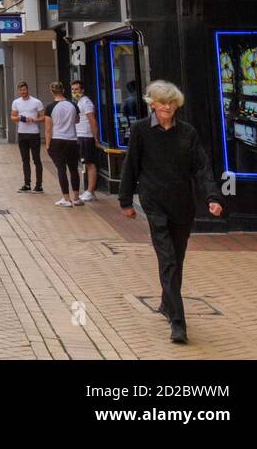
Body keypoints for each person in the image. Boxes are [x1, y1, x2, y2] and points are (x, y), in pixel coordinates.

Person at [119, 81, 224, 345]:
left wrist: (212, 197)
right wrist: (125, 201)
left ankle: (167, 303)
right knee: (168, 260)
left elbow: (201, 168)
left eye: (171, 103)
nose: (167, 107)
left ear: (177, 105)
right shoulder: (141, 130)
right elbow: (131, 166)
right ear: (152, 104)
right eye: (162, 102)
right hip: (154, 203)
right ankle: (178, 323)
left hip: (182, 204)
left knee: (177, 258)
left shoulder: (187, 132)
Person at [44, 82, 83, 208]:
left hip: (57, 140)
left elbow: (48, 128)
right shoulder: (73, 105)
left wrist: (48, 144)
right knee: (73, 169)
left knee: (61, 169)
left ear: (52, 92)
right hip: (72, 139)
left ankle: (66, 198)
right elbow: (77, 120)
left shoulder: (50, 108)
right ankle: (76, 197)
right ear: (64, 90)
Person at [11, 82, 46, 194]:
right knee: (25, 160)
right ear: (19, 91)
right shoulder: (16, 102)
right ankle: (27, 184)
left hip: (34, 134)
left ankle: (39, 185)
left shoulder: (36, 102)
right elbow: (12, 117)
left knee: (36, 159)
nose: (23, 92)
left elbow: (44, 117)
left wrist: (35, 119)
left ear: (28, 90)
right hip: (22, 133)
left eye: (24, 90)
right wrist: (21, 118)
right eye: (21, 90)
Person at [72, 80, 100, 202]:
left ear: (82, 90)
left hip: (86, 136)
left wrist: (96, 138)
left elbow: (92, 120)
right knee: (86, 163)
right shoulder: (79, 102)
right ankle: (89, 190)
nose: (74, 92)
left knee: (90, 163)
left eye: (77, 89)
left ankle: (91, 191)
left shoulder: (86, 102)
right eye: (73, 90)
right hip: (81, 136)